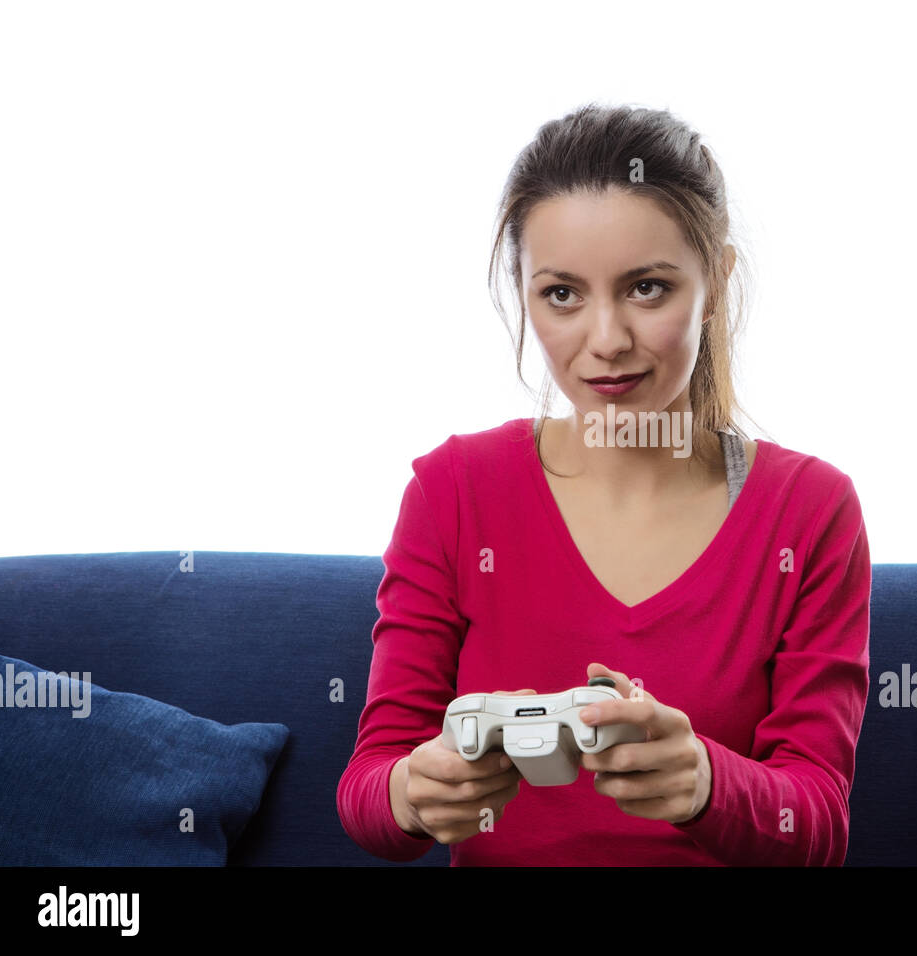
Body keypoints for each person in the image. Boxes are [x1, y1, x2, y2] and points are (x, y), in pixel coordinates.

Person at [336, 102, 870, 866]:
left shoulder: (811, 511)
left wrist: (707, 784)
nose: (607, 341)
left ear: (715, 281)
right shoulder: (453, 491)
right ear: (522, 291)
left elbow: (817, 825)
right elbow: (368, 789)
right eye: (562, 295)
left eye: (648, 288)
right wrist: (412, 793)